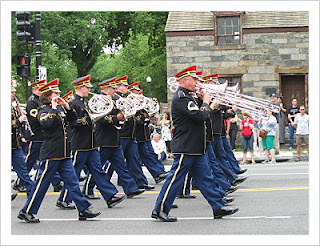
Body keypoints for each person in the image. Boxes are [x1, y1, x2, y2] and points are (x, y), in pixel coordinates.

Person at [151, 65, 239, 222]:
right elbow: (200, 116)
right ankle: (160, 209)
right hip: (186, 146)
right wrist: (208, 103)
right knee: (175, 179)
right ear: (185, 80)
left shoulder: (189, 96)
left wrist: (203, 98)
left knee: (206, 178)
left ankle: (217, 207)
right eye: (194, 79)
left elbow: (199, 112)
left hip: (196, 146)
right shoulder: (181, 97)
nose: (197, 82)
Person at [18, 79, 100, 223]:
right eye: (55, 93)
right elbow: (47, 124)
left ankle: (83, 209)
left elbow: (73, 120)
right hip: (51, 153)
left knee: (73, 183)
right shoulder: (43, 110)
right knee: (41, 185)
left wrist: (66, 106)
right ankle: (27, 211)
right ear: (48, 95)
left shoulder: (60, 109)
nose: (58, 95)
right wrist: (55, 108)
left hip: (63, 152)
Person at [57, 75, 126, 209]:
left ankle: (110, 196)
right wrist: (90, 119)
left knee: (98, 171)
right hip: (81, 143)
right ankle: (63, 199)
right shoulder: (73, 103)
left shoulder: (86, 101)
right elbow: (72, 123)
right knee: (74, 173)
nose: (89, 89)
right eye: (86, 87)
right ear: (80, 87)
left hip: (91, 142)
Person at [94, 77, 146, 198]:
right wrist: (116, 118)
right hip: (104, 138)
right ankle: (88, 189)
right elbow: (99, 118)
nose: (115, 90)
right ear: (106, 89)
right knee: (97, 167)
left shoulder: (114, 100)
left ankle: (131, 189)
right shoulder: (99, 100)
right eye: (113, 88)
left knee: (121, 166)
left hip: (114, 137)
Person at [11, 85, 35, 197]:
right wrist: (17, 121)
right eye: (11, 92)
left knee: (22, 167)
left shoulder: (13, 107)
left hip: (14, 144)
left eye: (14, 91)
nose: (14, 94)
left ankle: (30, 187)